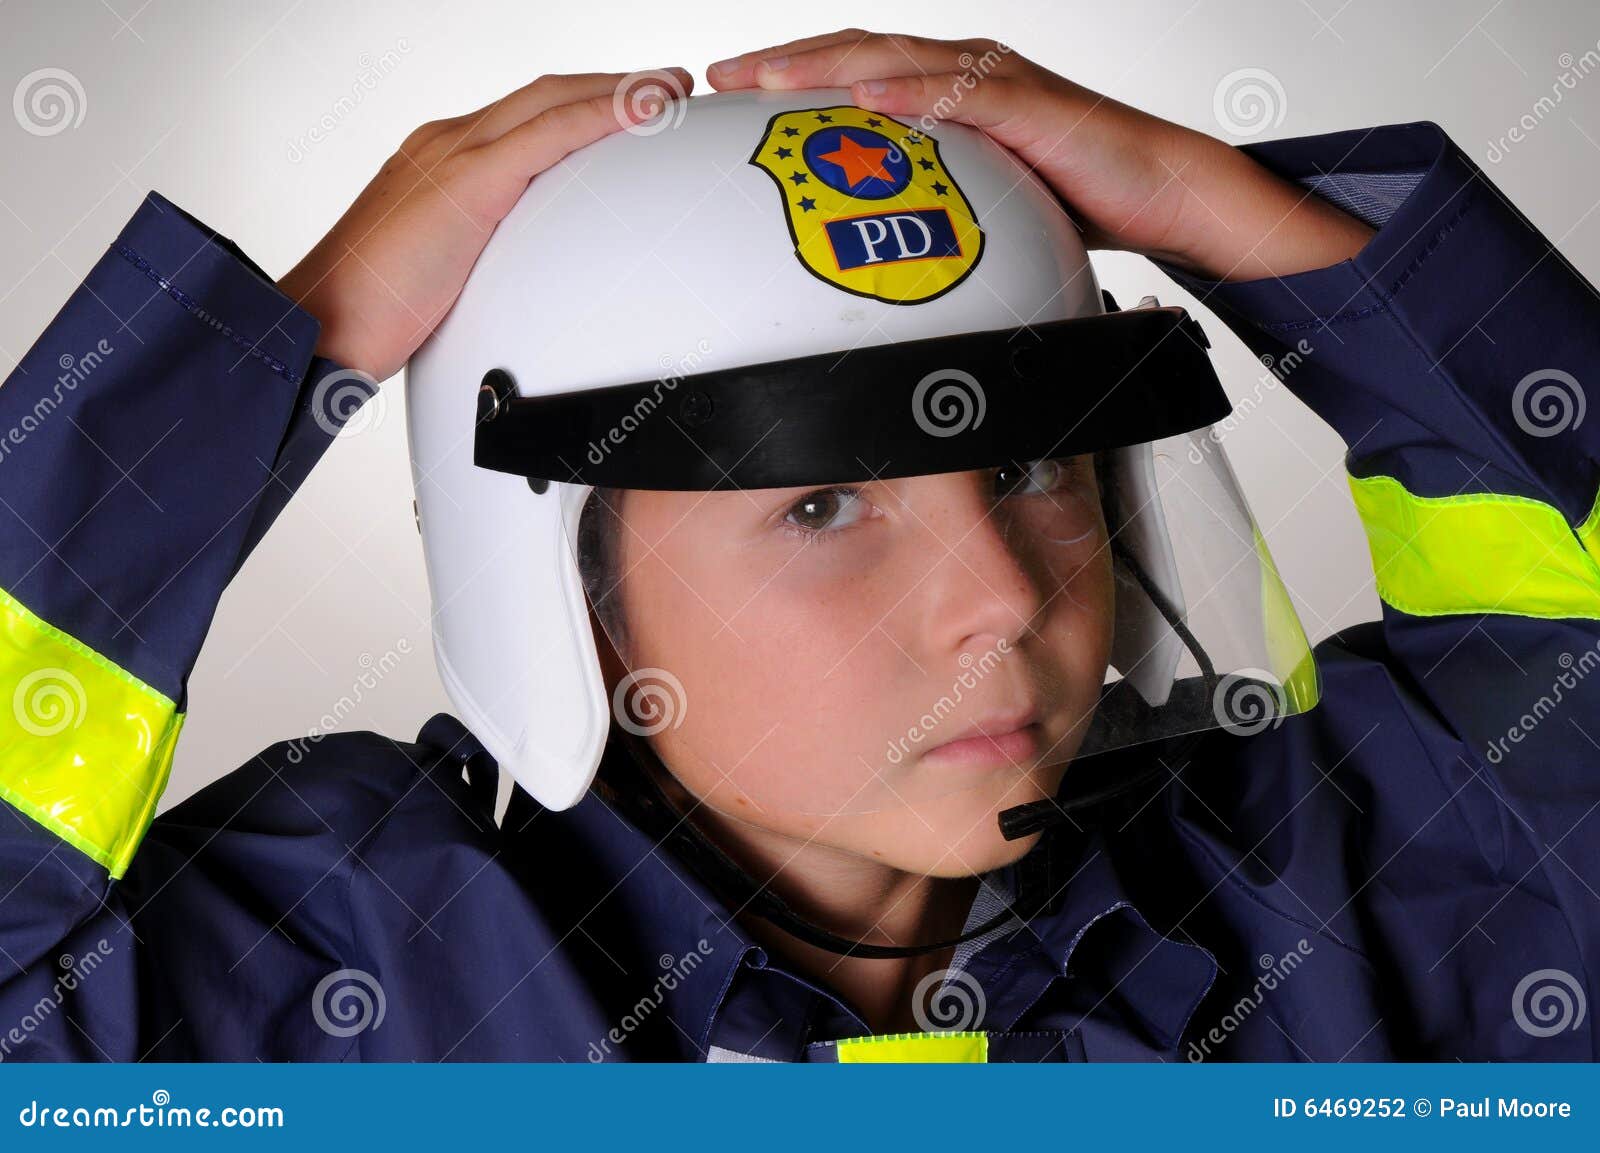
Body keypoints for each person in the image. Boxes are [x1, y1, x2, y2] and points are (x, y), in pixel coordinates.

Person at [1, 29, 1596, 1062]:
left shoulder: (1336, 879)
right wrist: (303, 335)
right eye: (822, 503)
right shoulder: (340, 956)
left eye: (1036, 457)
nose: (1002, 599)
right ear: (564, 580)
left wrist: (1209, 201)